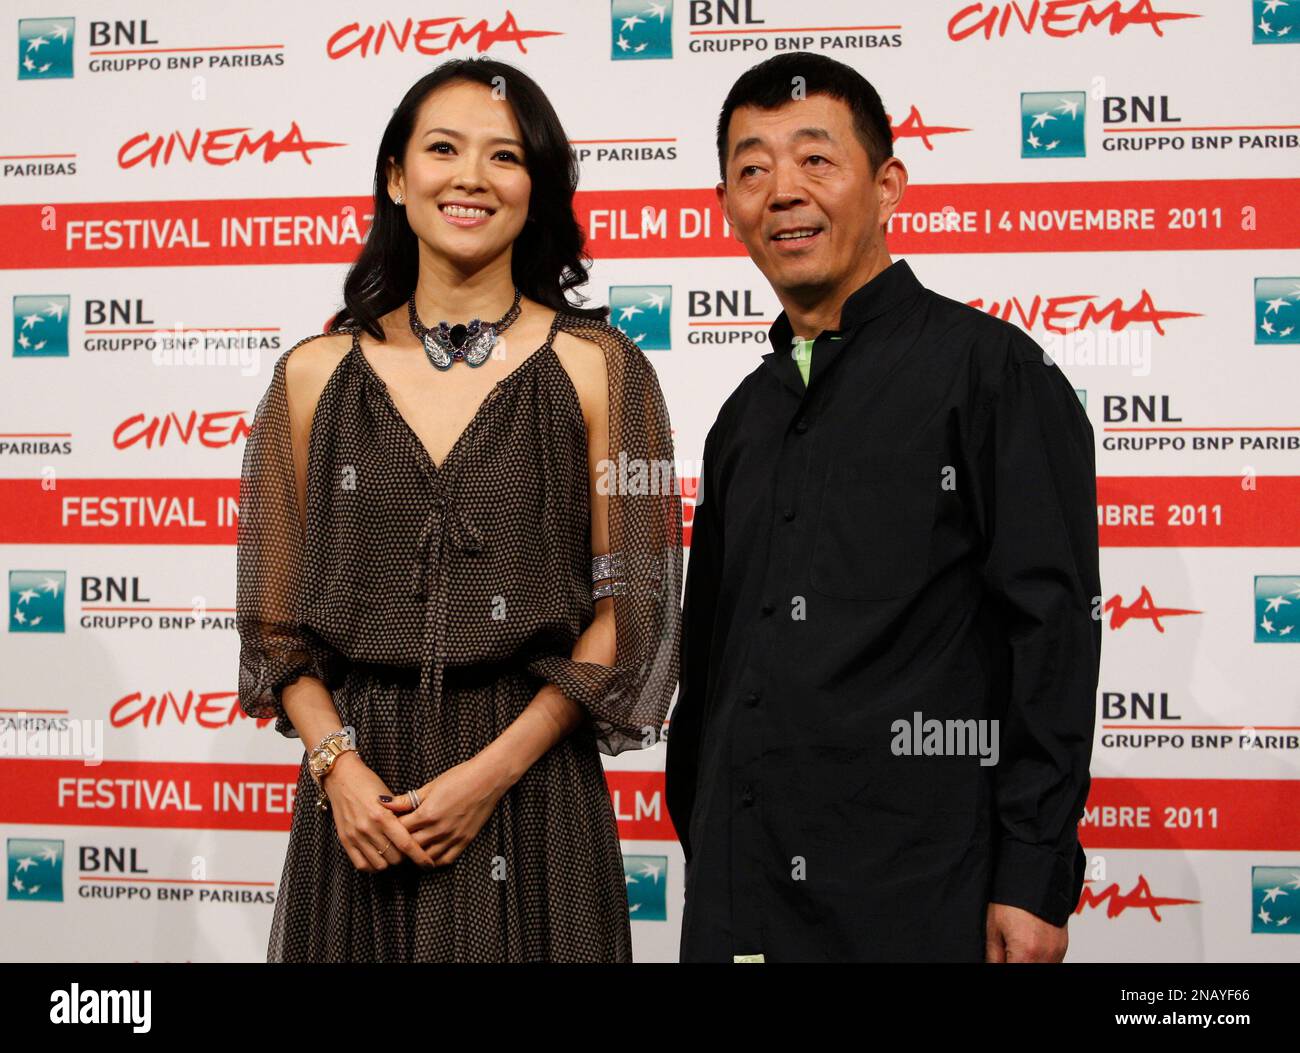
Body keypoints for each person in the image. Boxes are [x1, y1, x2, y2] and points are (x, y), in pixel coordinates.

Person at [235, 57, 682, 962]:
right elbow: (277, 630)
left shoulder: (603, 368)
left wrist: (489, 775)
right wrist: (339, 768)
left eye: (505, 156)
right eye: (442, 148)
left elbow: (625, 614)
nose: (470, 176)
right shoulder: (312, 377)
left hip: (534, 788)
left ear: (537, 189)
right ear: (398, 178)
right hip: (360, 803)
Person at [664, 52, 1100, 963]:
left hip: (920, 897)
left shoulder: (993, 374)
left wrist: (1032, 875)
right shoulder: (744, 416)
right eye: (752, 169)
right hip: (742, 899)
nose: (782, 191)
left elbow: (1051, 634)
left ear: (888, 183)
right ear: (725, 207)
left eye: (815, 159)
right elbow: (711, 660)